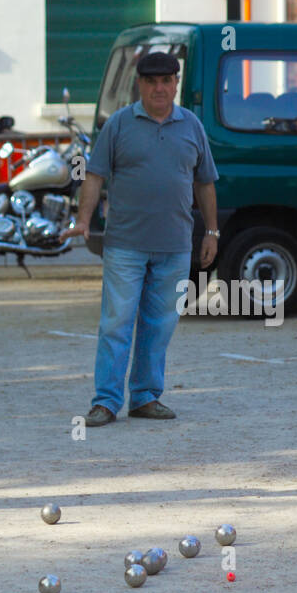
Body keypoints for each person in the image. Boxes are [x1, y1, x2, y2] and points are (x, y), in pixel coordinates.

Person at [59, 52, 219, 427]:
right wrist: (83, 220)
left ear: (176, 84)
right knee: (116, 323)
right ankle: (106, 402)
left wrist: (212, 231)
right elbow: (94, 175)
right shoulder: (118, 124)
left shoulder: (192, 126)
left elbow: (205, 182)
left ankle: (145, 397)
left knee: (159, 326)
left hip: (175, 246)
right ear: (139, 85)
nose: (159, 88)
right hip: (125, 245)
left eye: (166, 81)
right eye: (151, 81)